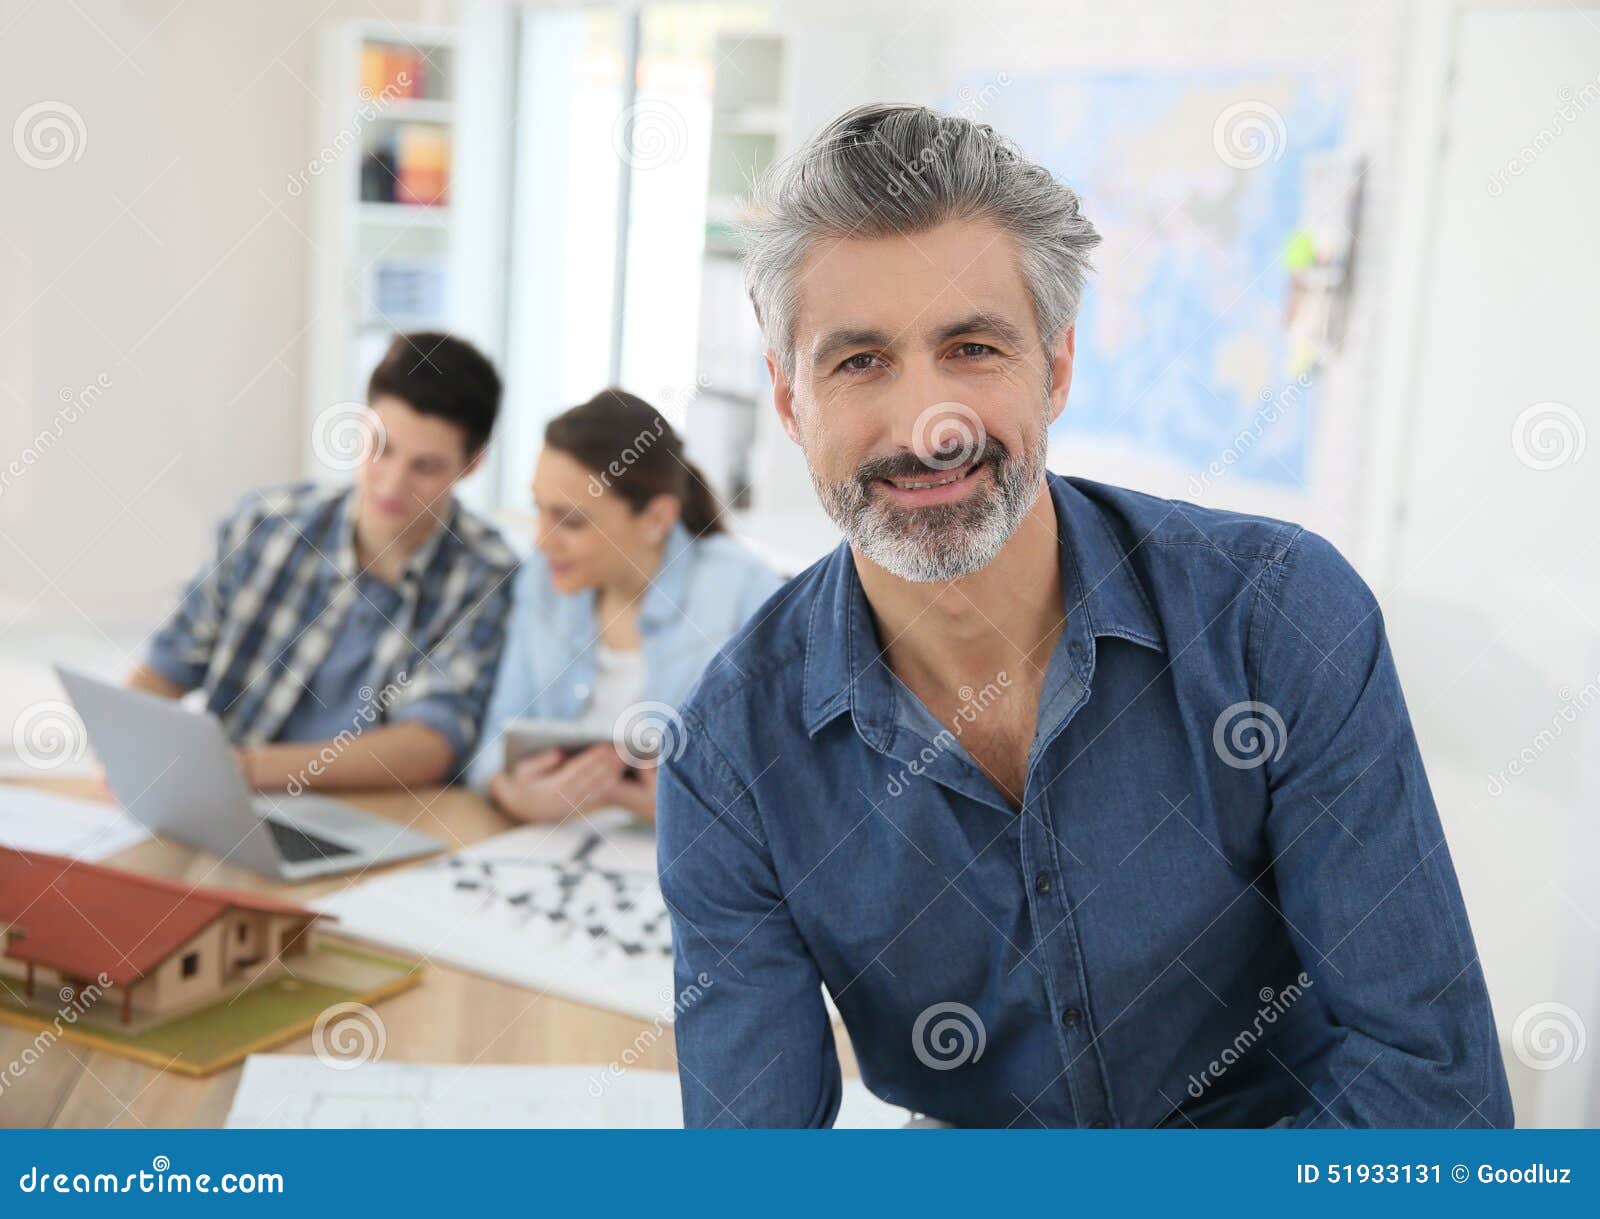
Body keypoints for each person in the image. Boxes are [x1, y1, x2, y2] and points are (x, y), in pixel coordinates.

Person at [657, 104, 1512, 1129]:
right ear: (789, 401)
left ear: (1056, 366)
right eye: (859, 362)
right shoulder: (729, 756)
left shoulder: (1275, 617)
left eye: (973, 347)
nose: (929, 425)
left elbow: (1441, 1099)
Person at [127, 332, 518, 791]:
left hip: (376, 813)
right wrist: (129, 748)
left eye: (425, 466)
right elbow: (168, 664)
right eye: (381, 448)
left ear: (471, 465)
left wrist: (242, 769)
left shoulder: (488, 577)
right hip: (228, 800)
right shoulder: (265, 525)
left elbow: (430, 744)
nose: (392, 484)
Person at [468, 388, 780, 825]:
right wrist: (510, 793)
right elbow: (491, 745)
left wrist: (682, 810)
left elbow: (784, 777)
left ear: (656, 518)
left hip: (686, 855)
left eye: (571, 521)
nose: (541, 539)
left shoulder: (744, 591)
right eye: (539, 509)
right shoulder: (541, 580)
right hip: (548, 840)